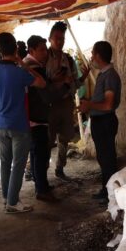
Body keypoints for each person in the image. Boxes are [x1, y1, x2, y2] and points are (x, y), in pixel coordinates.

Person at [0, 32, 46, 213]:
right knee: (18, 165)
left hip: (2, 123)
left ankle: (7, 198)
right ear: (15, 49)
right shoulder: (20, 72)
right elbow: (42, 83)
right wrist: (24, 64)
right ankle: (12, 202)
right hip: (19, 124)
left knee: (5, 163)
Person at [46, 22, 88, 181]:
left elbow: (74, 84)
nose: (59, 41)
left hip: (65, 103)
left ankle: (59, 168)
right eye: (56, 38)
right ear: (49, 39)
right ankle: (38, 172)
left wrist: (82, 78)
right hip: (49, 105)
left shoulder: (69, 60)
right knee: (47, 140)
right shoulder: (43, 58)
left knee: (64, 138)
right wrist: (56, 81)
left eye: (62, 38)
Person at [79, 41, 121, 202]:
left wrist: (89, 105)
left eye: (92, 54)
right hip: (101, 121)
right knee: (104, 158)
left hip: (105, 121)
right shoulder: (104, 74)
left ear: (97, 55)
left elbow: (108, 105)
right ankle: (107, 190)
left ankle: (111, 195)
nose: (91, 58)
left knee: (107, 159)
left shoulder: (109, 76)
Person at [23, 35, 57, 202]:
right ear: (32, 50)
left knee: (37, 153)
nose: (45, 53)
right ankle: (42, 189)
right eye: (42, 50)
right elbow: (45, 90)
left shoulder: (26, 65)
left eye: (45, 49)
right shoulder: (32, 66)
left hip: (33, 116)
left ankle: (41, 184)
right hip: (36, 117)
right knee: (40, 154)